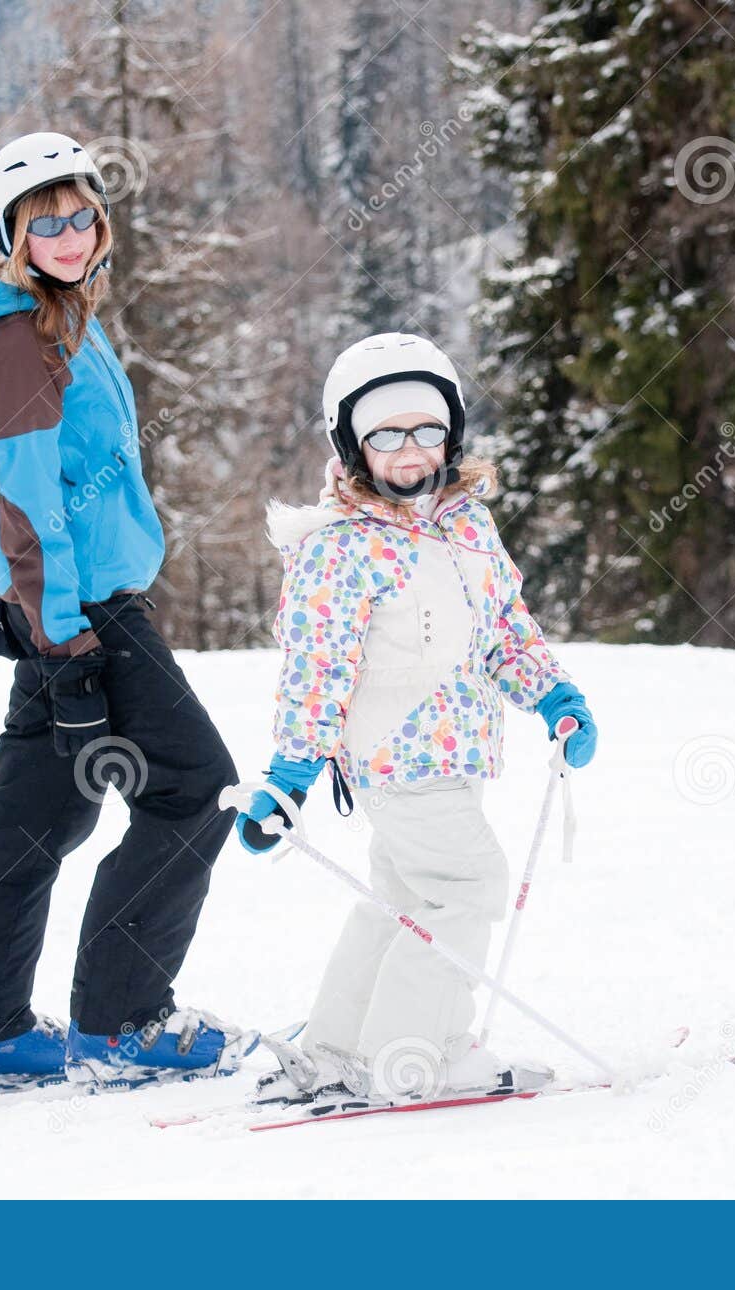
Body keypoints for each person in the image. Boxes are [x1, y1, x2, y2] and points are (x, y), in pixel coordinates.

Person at [0, 133, 245, 1092]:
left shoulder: (64, 318)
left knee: (33, 817)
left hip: (70, 608)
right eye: (44, 219)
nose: (68, 233)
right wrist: (62, 641)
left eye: (81, 214)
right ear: (11, 234)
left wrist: (33, 614)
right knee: (195, 789)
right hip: (89, 616)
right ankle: (122, 1020)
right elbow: (24, 501)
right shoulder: (23, 335)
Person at [235, 332, 599, 1110]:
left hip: (455, 755)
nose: (409, 450)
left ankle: (338, 1048)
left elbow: (504, 630)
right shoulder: (340, 547)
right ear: (353, 444)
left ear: (452, 434)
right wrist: (291, 774)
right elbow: (314, 669)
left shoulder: (467, 526)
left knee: (402, 900)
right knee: (467, 887)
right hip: (397, 758)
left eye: (426, 429)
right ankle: (416, 1054)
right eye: (386, 433)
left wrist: (552, 695)